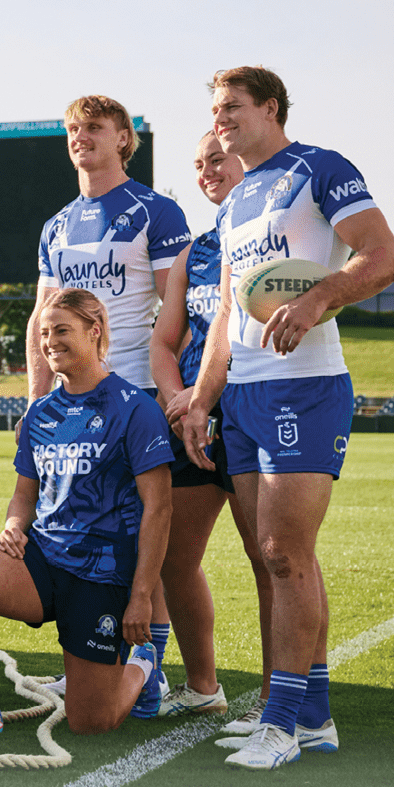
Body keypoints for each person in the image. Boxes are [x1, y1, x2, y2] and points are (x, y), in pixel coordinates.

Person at [181, 67, 394, 770]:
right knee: (270, 557)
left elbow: (385, 257)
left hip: (303, 386)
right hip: (242, 392)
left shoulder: (320, 168)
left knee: (284, 552)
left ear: (270, 108)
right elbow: (224, 312)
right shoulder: (235, 201)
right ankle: (312, 717)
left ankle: (279, 723)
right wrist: (199, 398)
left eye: (231, 108)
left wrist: (319, 300)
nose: (220, 120)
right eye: (214, 110)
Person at [0, 288, 170, 737]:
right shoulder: (39, 412)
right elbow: (24, 494)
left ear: (95, 332)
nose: (50, 341)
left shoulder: (135, 408)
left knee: (90, 723)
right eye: (44, 332)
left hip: (103, 574)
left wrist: (142, 596)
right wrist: (14, 526)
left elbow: (158, 508)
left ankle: (141, 663)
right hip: (42, 560)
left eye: (62, 330)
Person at [25, 95, 191, 710]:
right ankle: (94, 659)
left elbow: (179, 308)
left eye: (94, 128)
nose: (81, 137)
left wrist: (177, 391)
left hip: (137, 397)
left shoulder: (157, 210)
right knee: (76, 528)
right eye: (73, 129)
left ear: (124, 139)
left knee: (147, 532)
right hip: (68, 406)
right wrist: (37, 397)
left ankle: (151, 658)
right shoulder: (57, 224)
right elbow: (42, 317)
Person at [145, 133, 264, 720]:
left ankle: (280, 698)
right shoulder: (196, 251)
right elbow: (163, 341)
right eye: (198, 165)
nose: (206, 171)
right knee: (173, 557)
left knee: (268, 558)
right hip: (193, 418)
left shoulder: (270, 240)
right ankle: (202, 687)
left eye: (216, 158)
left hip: (250, 411)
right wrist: (179, 399)